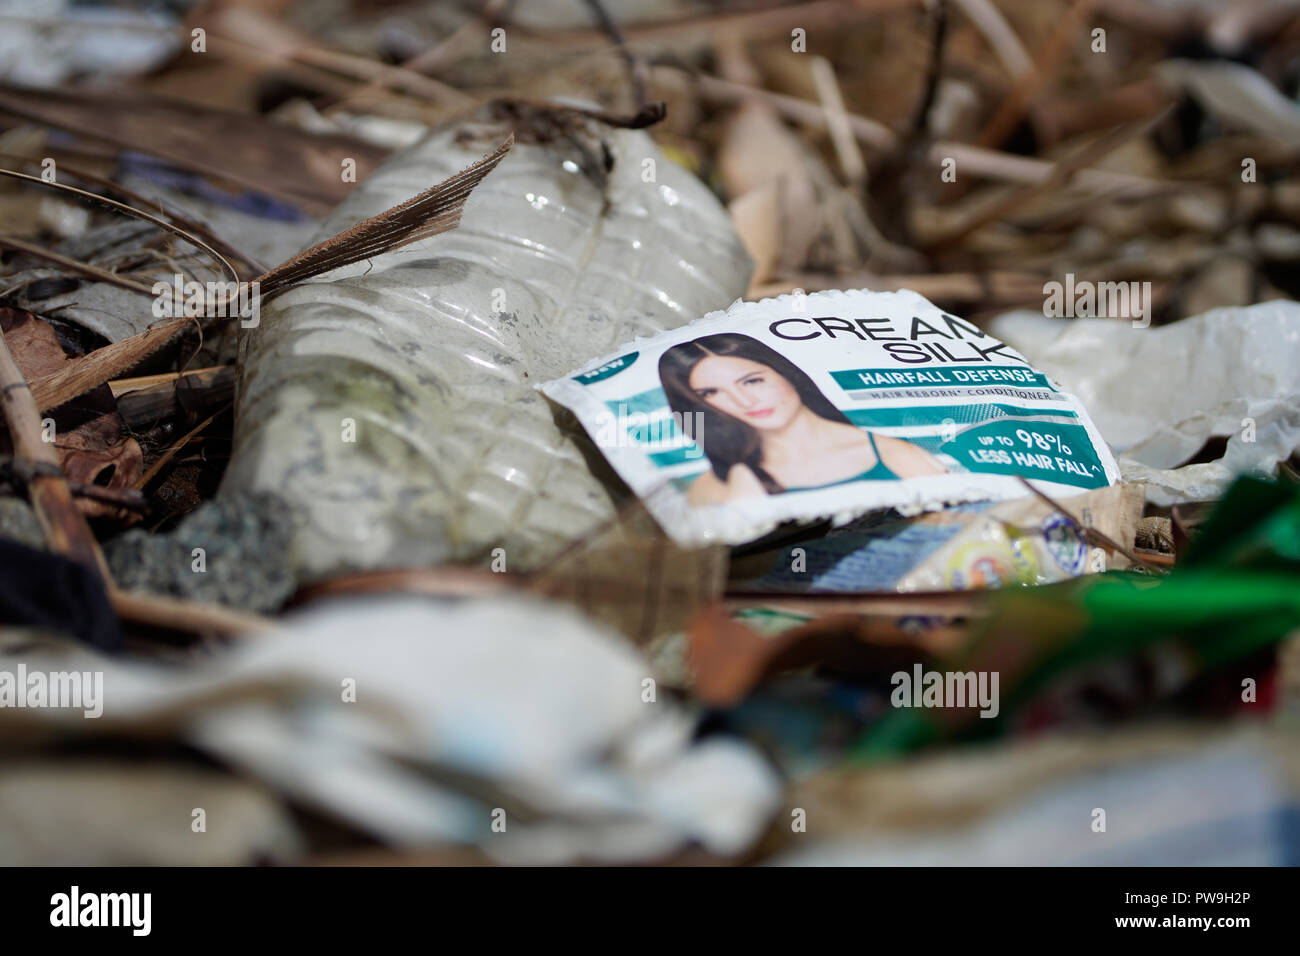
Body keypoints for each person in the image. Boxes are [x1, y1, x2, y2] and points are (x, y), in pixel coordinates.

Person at [658, 333, 947, 506]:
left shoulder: (893, 452)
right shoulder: (714, 486)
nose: (744, 402)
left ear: (786, 373)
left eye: (753, 381)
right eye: (711, 393)